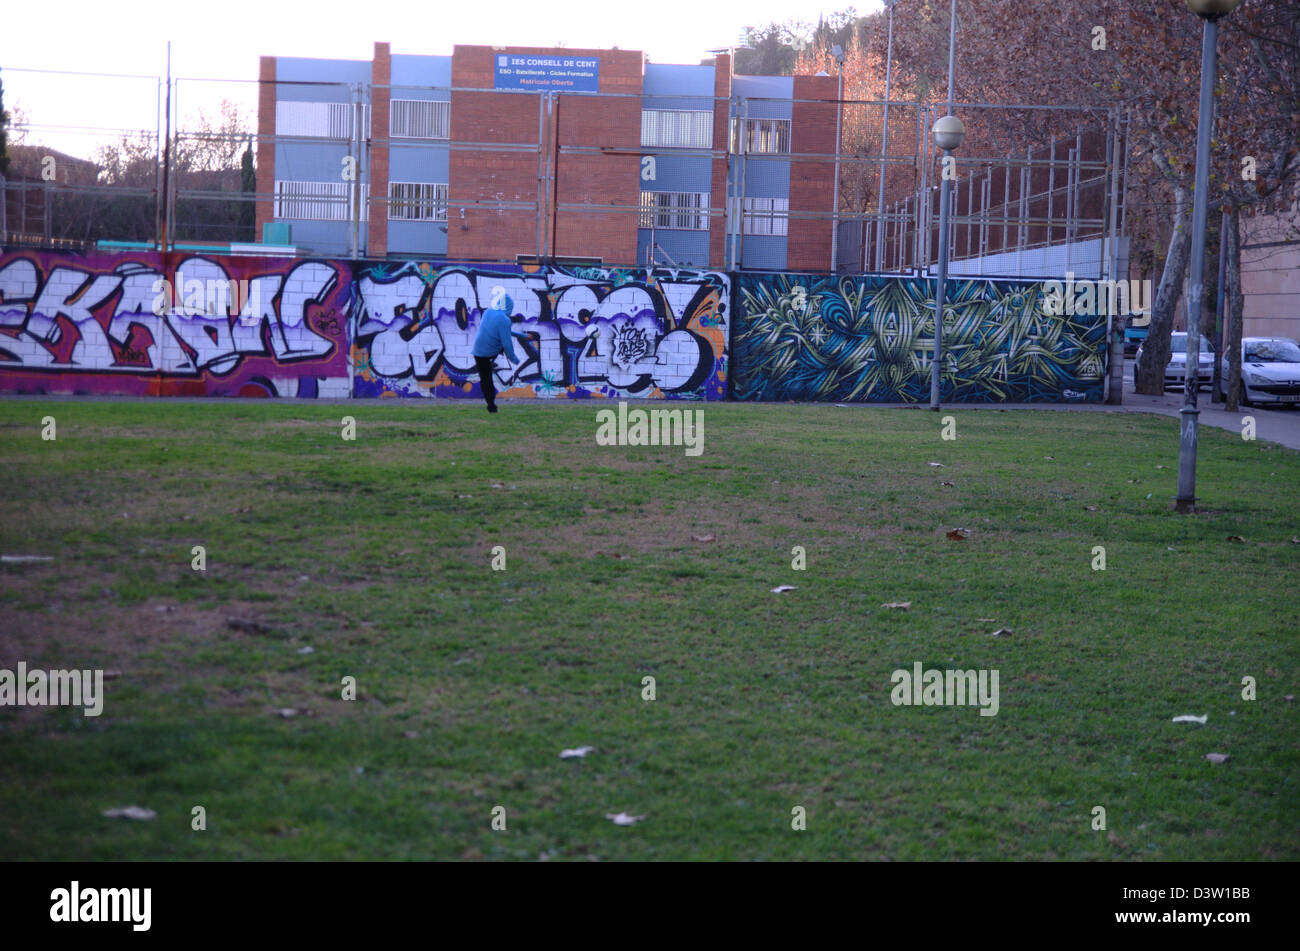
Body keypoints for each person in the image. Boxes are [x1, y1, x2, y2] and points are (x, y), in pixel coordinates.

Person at [470, 294, 529, 413]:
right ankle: (491, 406)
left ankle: (490, 403)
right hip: (489, 351)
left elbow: (503, 330)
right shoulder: (504, 319)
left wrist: (522, 335)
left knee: (485, 378)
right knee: (488, 379)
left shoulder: (488, 311)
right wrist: (514, 359)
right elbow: (507, 342)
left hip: (477, 350)